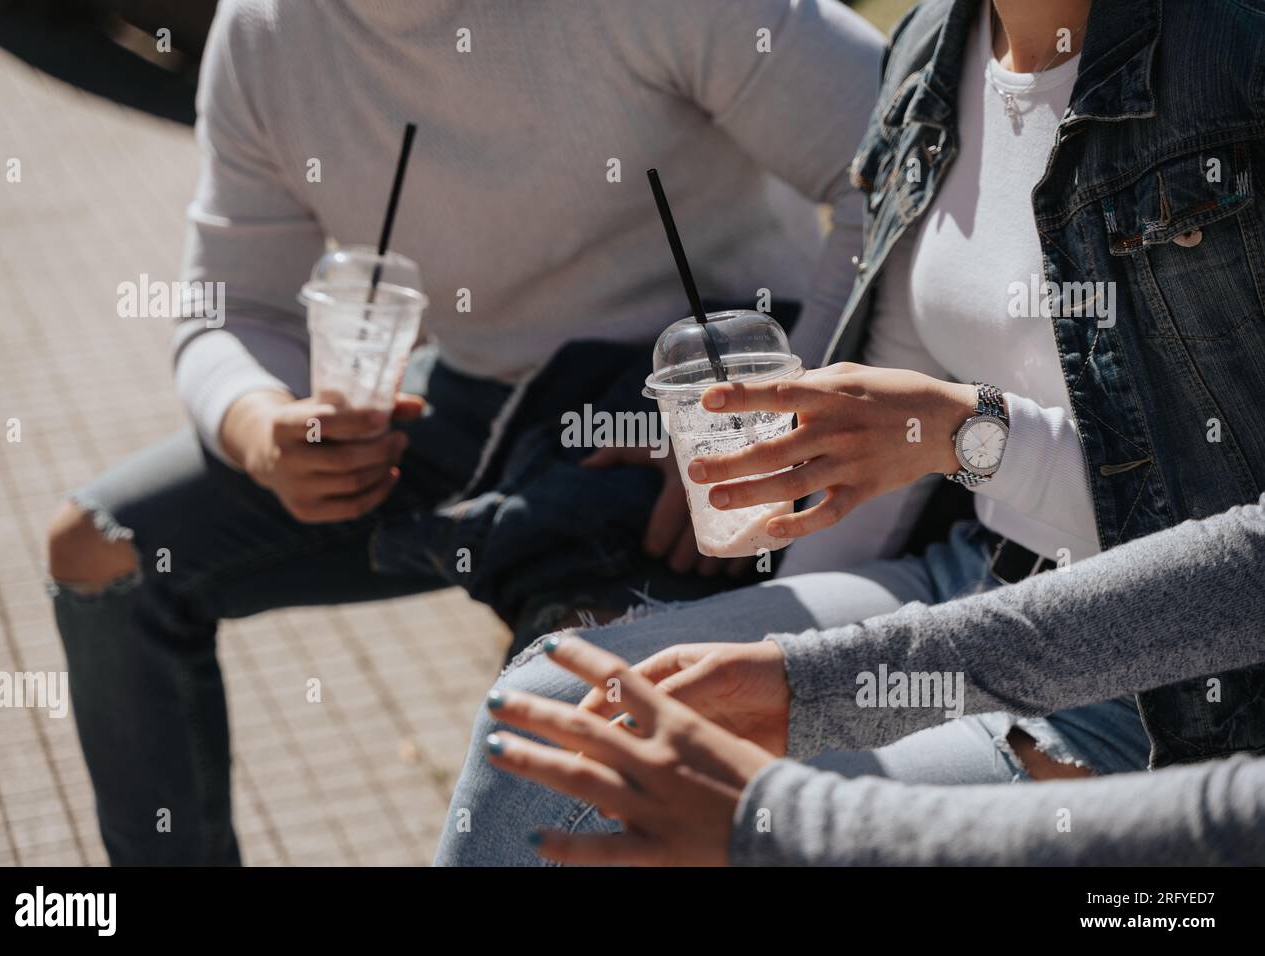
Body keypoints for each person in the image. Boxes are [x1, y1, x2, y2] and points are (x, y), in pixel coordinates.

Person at [44, 0, 884, 865]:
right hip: (471, 398)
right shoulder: (263, 31)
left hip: (677, 425)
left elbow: (901, 160)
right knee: (99, 551)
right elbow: (234, 305)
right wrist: (261, 427)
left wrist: (763, 418)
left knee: (570, 714)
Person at [437, 0, 1265, 864]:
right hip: (969, 581)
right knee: (555, 712)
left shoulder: (1236, 58)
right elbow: (893, 382)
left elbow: (1239, 550)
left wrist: (969, 435)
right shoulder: (929, 47)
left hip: (1171, 691)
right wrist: (775, 634)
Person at [482, 491, 1265, 865]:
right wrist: (811, 678)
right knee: (541, 706)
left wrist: (795, 823)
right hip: (980, 564)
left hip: (1161, 710)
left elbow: (1229, 825)